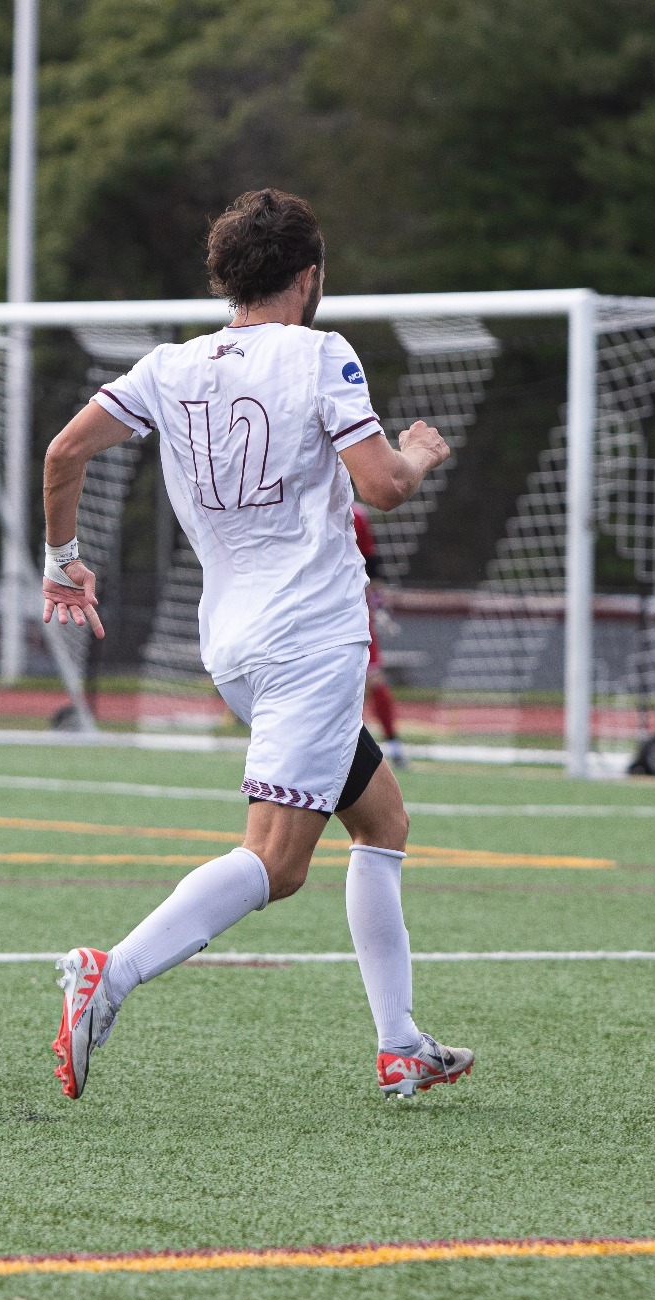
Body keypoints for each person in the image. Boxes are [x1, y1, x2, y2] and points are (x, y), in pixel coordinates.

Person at [39, 188, 471, 1100]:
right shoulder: (320, 353)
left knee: (382, 820)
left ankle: (400, 1043)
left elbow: (61, 456)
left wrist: (62, 559)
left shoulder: (168, 366)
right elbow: (383, 485)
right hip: (309, 641)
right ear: (310, 278)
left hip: (232, 647)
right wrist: (423, 450)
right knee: (277, 864)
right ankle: (107, 973)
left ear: (223, 277)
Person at [352, 502, 408, 767]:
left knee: (373, 676)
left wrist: (377, 604)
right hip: (313, 609)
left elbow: (370, 565)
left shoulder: (358, 515)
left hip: (354, 609)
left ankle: (393, 743)